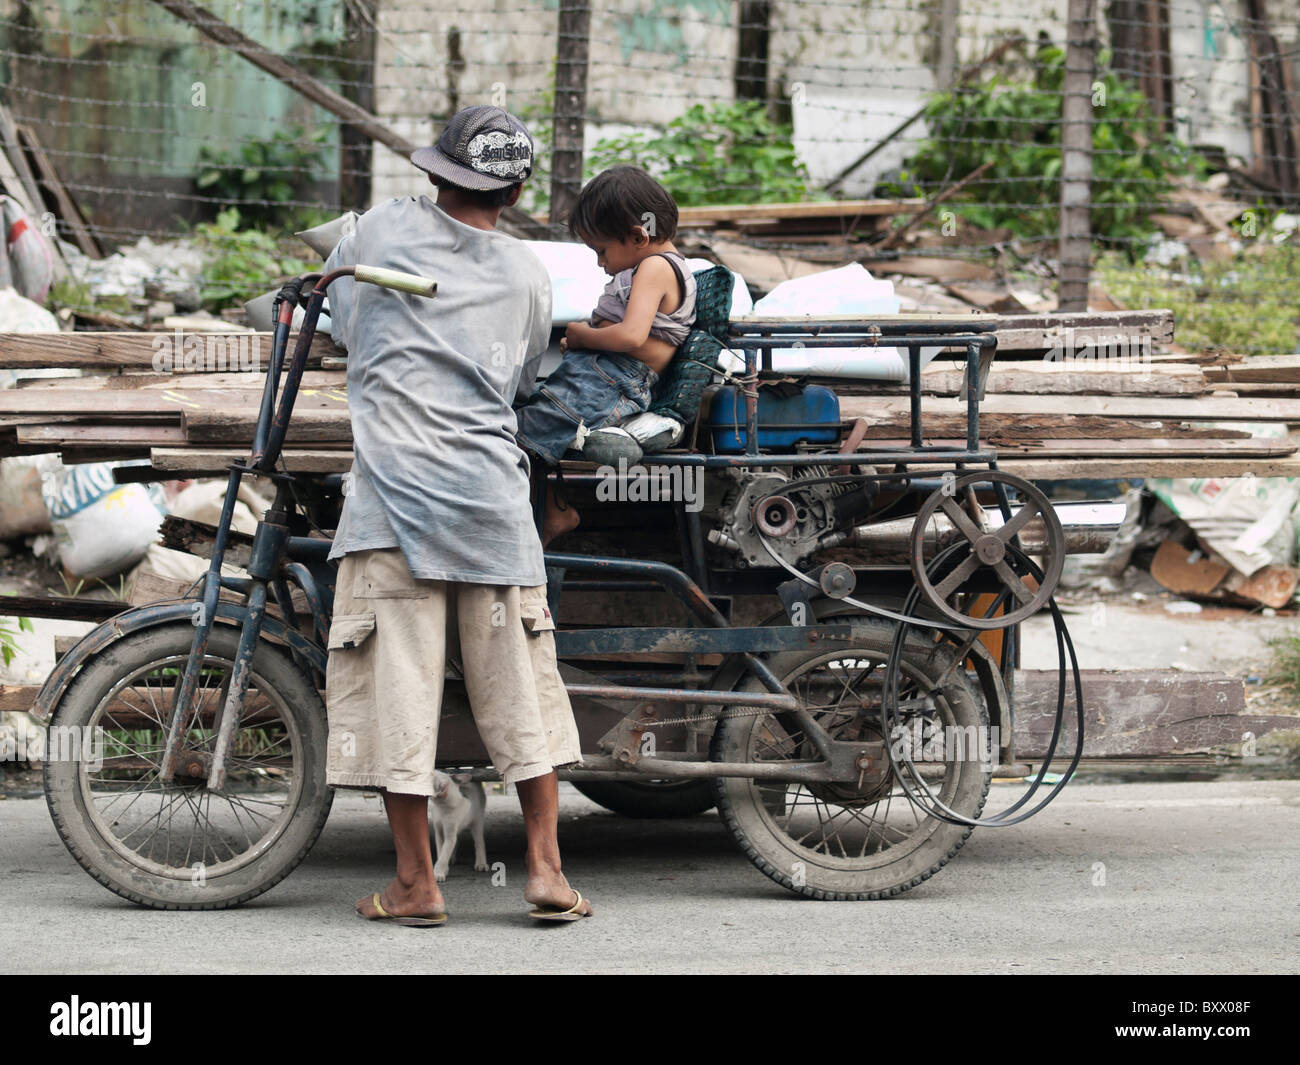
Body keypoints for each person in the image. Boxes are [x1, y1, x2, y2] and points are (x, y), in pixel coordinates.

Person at [322, 105, 592, 925]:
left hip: (391, 514)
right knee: (522, 697)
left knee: (395, 703)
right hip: (493, 512)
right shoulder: (527, 274)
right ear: (513, 191)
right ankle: (545, 869)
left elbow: (338, 320)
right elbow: (515, 383)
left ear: (434, 173)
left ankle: (416, 885)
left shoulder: (375, 235)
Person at [515, 166, 696, 545]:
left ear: (637, 235)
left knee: (519, 432)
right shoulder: (654, 265)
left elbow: (631, 336)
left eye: (601, 251)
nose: (600, 263)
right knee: (528, 423)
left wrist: (584, 337)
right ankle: (550, 510)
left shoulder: (655, 267)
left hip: (616, 380)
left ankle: (551, 514)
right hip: (605, 375)